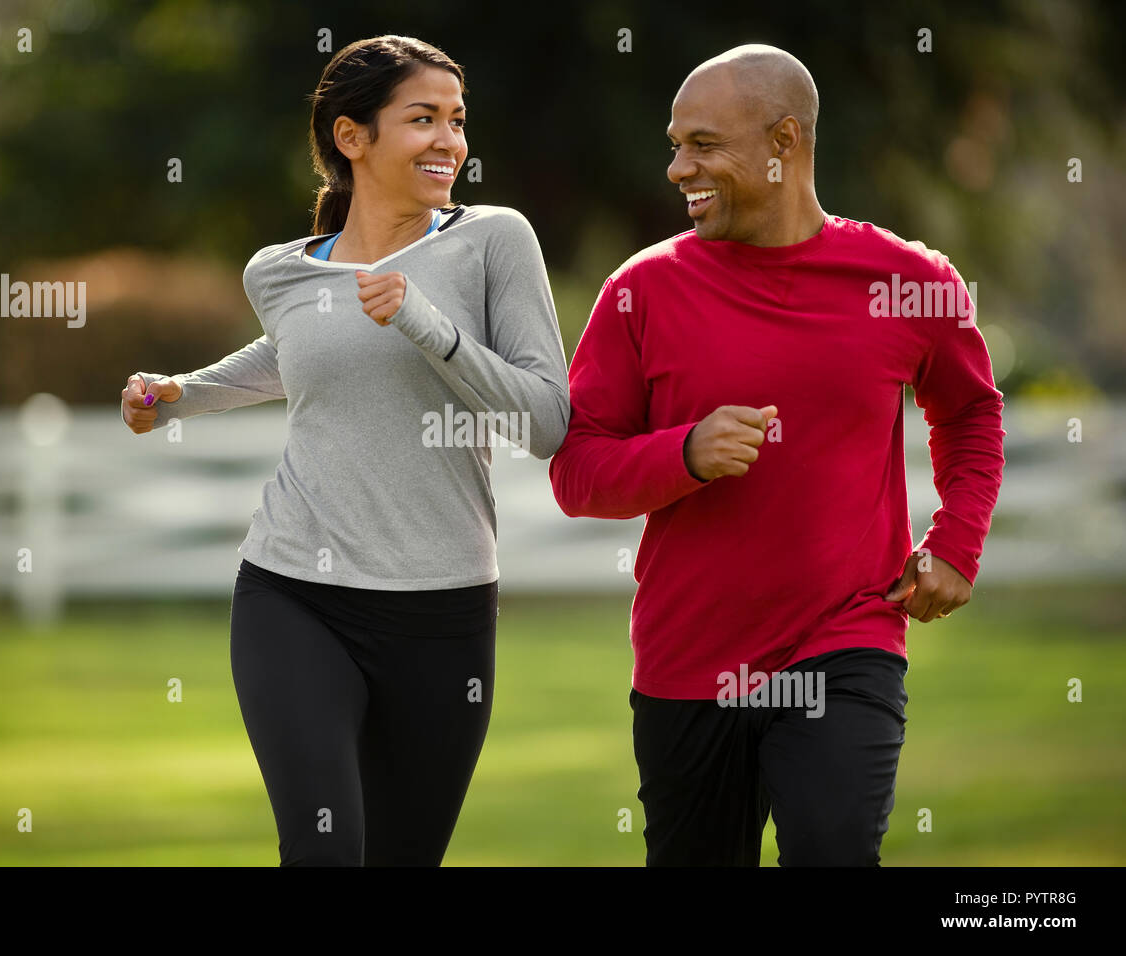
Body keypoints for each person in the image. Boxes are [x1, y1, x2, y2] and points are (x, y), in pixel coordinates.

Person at [548, 44, 1005, 866]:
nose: (677, 166)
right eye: (675, 142)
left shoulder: (909, 282)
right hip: (688, 665)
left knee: (834, 848)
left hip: (847, 639)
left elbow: (971, 413)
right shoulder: (639, 292)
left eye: (703, 144)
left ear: (783, 142)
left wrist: (957, 544)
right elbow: (577, 474)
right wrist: (685, 453)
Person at [120, 35, 569, 865]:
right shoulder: (278, 273)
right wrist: (183, 390)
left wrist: (424, 325)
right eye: (423, 119)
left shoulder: (495, 240)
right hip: (294, 595)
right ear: (351, 137)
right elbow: (295, 354)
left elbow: (544, 419)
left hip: (444, 610)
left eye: (457, 121)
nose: (450, 142)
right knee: (324, 851)